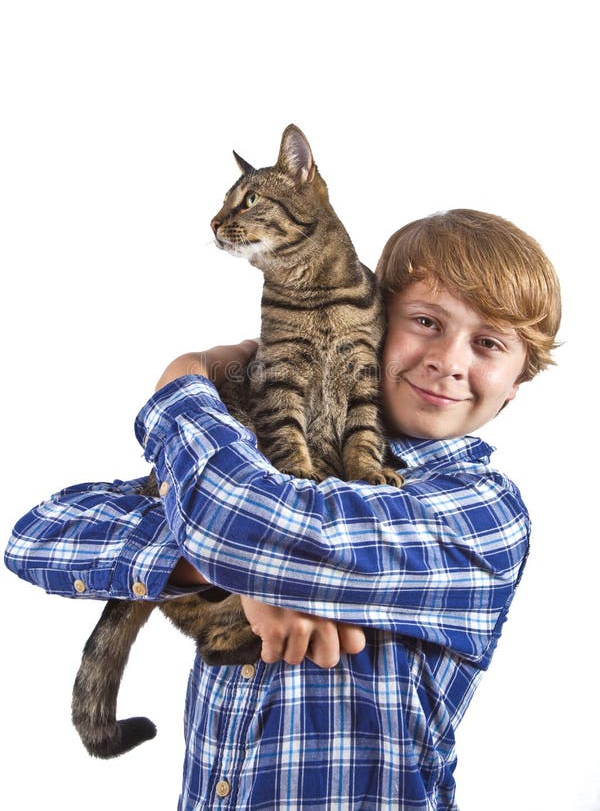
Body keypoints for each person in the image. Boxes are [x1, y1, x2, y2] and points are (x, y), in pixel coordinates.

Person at [5, 208, 561, 810]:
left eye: (488, 344)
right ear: (370, 322)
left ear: (516, 382)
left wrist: (183, 380)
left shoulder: (482, 513)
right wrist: (229, 567)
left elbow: (248, 526)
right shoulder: (263, 454)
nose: (449, 360)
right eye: (425, 321)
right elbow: (38, 536)